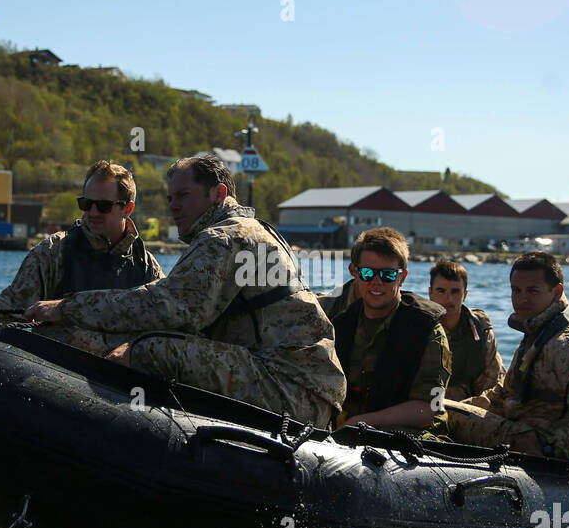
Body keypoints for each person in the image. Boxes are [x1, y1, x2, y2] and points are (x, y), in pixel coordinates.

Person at [24, 152, 346, 428]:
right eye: (170, 198)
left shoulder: (224, 237)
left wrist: (66, 307)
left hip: (290, 386)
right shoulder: (257, 231)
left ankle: (105, 424)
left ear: (217, 194)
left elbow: (168, 307)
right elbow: (175, 300)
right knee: (140, 342)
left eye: (183, 196)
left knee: (151, 348)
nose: (173, 206)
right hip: (306, 385)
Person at [446, 252, 569, 461]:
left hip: (540, 444)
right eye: (516, 290)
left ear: (557, 292)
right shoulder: (540, 328)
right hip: (526, 426)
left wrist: (549, 451)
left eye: (532, 291)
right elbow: (505, 394)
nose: (521, 300)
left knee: (444, 415)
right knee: (442, 410)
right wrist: (466, 406)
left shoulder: (567, 344)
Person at [0, 161, 163, 344]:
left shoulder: (148, 268)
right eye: (86, 203)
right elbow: (9, 308)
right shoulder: (53, 251)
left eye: (103, 206)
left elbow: (163, 325)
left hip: (115, 371)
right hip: (55, 368)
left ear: (127, 209)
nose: (93, 212)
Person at [328, 227, 452, 438]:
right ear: (354, 272)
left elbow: (428, 410)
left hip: (410, 435)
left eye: (387, 275)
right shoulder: (340, 323)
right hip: (349, 428)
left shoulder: (427, 330)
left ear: (402, 277)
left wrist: (360, 422)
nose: (376, 282)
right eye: (367, 273)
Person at [428, 259, 504, 401]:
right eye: (441, 291)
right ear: (430, 293)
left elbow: (491, 384)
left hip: (469, 406)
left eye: (455, 291)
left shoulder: (480, 330)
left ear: (465, 294)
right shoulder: (418, 327)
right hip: (424, 406)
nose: (448, 298)